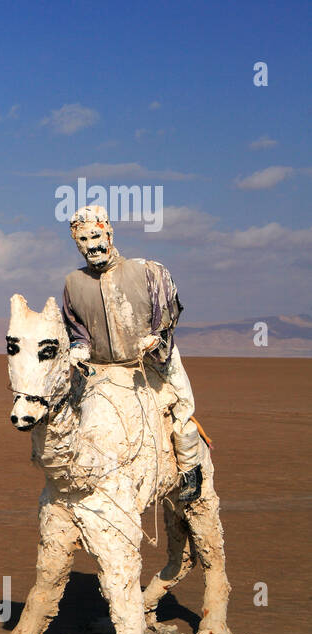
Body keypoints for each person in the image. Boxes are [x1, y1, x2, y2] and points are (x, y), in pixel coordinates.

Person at [60, 204, 204, 502]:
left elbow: (169, 311)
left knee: (181, 408)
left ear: (109, 232)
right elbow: (76, 327)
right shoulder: (73, 283)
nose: (92, 245)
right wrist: (78, 348)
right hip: (101, 367)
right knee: (68, 414)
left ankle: (191, 471)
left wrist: (157, 338)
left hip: (150, 362)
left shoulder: (148, 270)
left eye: (95, 236)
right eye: (82, 240)